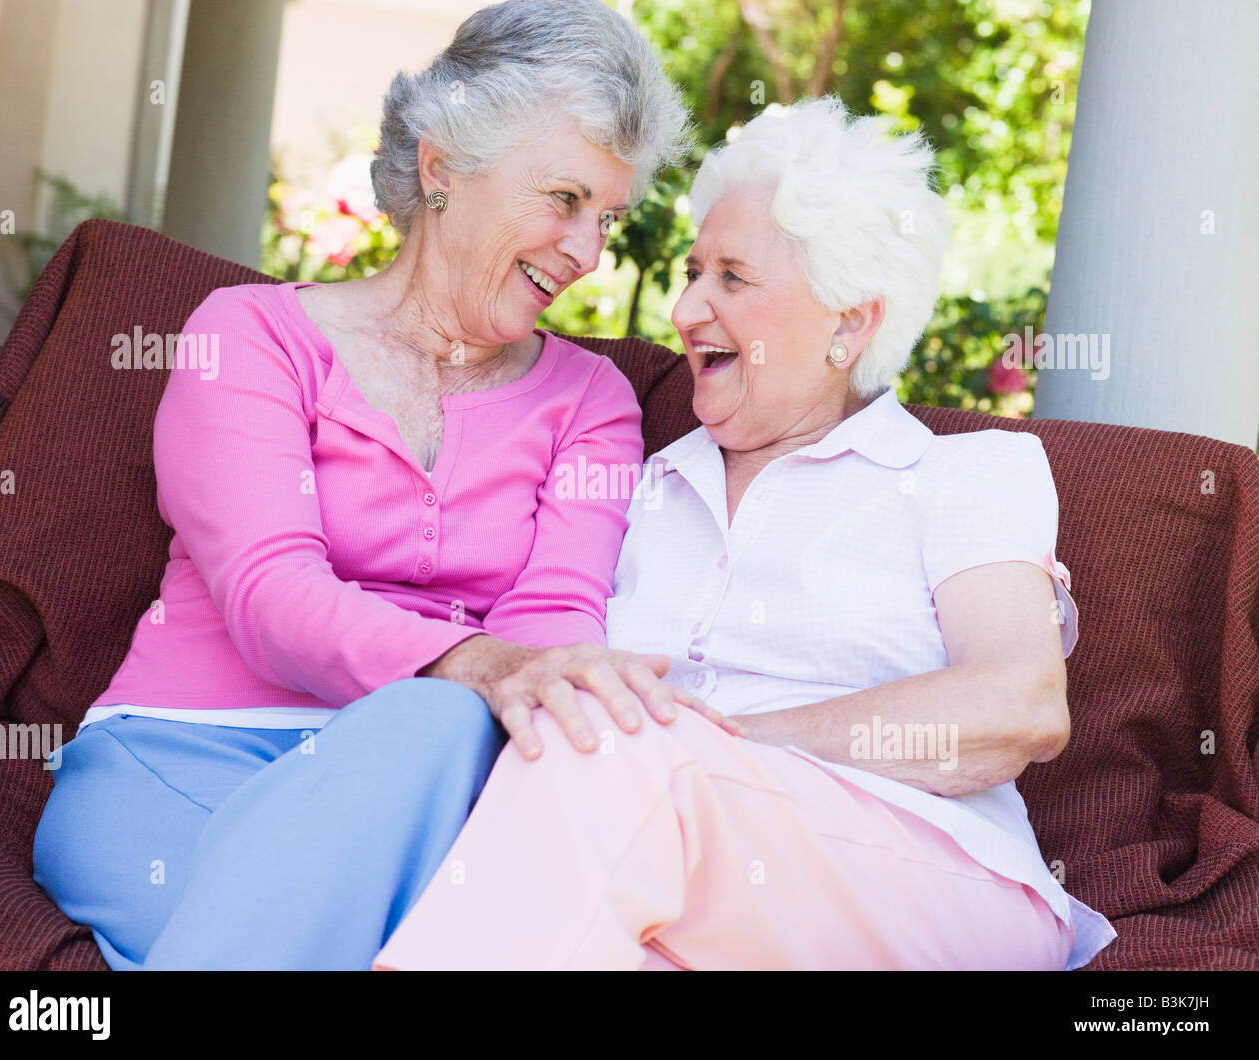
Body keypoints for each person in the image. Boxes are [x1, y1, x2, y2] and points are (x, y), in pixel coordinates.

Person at [30, 0, 718, 971]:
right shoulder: (250, 336)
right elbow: (270, 594)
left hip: (428, 789)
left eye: (607, 217)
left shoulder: (591, 401)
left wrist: (485, 686)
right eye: (564, 198)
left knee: (433, 734)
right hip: (189, 762)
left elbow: (557, 622)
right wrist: (477, 665)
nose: (586, 251)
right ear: (443, 167)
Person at [374, 96, 1119, 971]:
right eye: (693, 272)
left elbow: (1019, 705)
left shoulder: (964, 474)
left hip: (933, 876)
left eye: (732, 278)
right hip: (684, 875)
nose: (687, 308)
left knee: (610, 754)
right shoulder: (636, 487)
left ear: (850, 321)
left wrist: (720, 745)